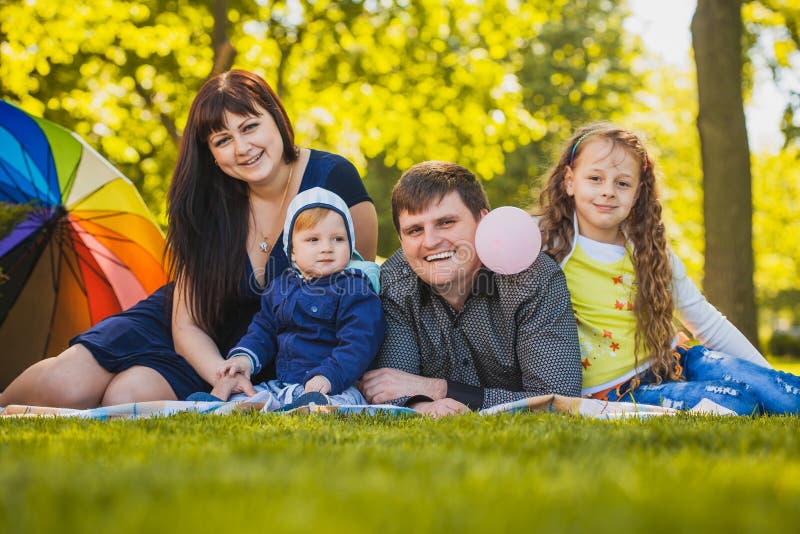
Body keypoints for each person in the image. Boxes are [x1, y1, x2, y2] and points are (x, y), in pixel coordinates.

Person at [0, 70, 378, 408]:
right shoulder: (205, 201)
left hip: (261, 355)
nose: (242, 148)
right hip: (189, 336)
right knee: (61, 385)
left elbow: (354, 295)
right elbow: (186, 325)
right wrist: (224, 374)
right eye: (222, 139)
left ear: (276, 119)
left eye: (249, 127)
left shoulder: (334, 180)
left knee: (126, 397)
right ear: (210, 153)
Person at [537, 122, 800, 415]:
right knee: (739, 403)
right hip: (616, 391)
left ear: (637, 193)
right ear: (569, 181)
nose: (608, 191)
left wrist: (766, 376)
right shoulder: (544, 242)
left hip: (676, 359)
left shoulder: (649, 249)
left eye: (622, 183)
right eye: (595, 178)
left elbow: (705, 320)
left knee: (785, 394)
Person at [358, 161, 582, 417]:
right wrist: (422, 406)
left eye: (446, 222)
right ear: (401, 240)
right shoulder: (395, 282)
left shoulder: (533, 276)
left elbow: (557, 398)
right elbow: (391, 387)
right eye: (415, 230)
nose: (430, 241)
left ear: (483, 221)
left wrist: (438, 389)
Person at [188, 187, 386, 407]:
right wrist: (244, 359)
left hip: (335, 384)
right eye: (313, 240)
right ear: (291, 250)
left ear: (350, 245)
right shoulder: (281, 286)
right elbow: (263, 331)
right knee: (255, 394)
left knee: (333, 404)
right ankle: (220, 405)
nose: (326, 248)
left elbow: (360, 341)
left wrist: (330, 375)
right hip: (285, 383)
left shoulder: (355, 287)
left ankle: (307, 407)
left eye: (338, 239)